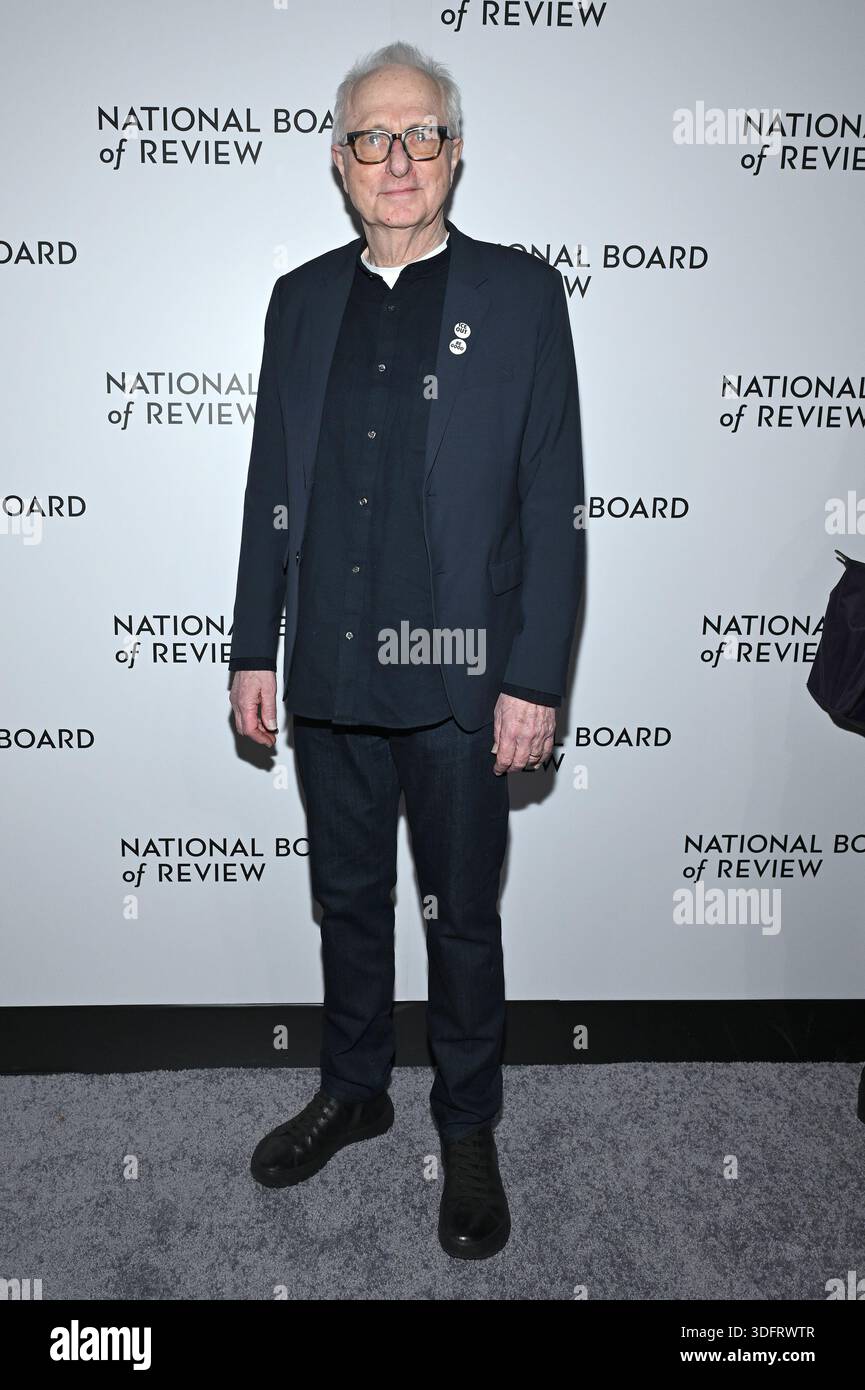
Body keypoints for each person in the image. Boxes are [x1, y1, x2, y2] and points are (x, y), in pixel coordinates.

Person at [228, 39, 585, 1261]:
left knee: (462, 919)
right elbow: (269, 488)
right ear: (338, 160)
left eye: (419, 134)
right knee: (345, 903)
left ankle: (468, 1124)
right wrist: (250, 646)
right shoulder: (299, 299)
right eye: (370, 138)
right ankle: (356, 1085)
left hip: (459, 678)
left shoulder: (524, 296)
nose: (396, 159)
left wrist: (536, 675)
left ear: (454, 150)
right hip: (326, 669)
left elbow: (553, 495)